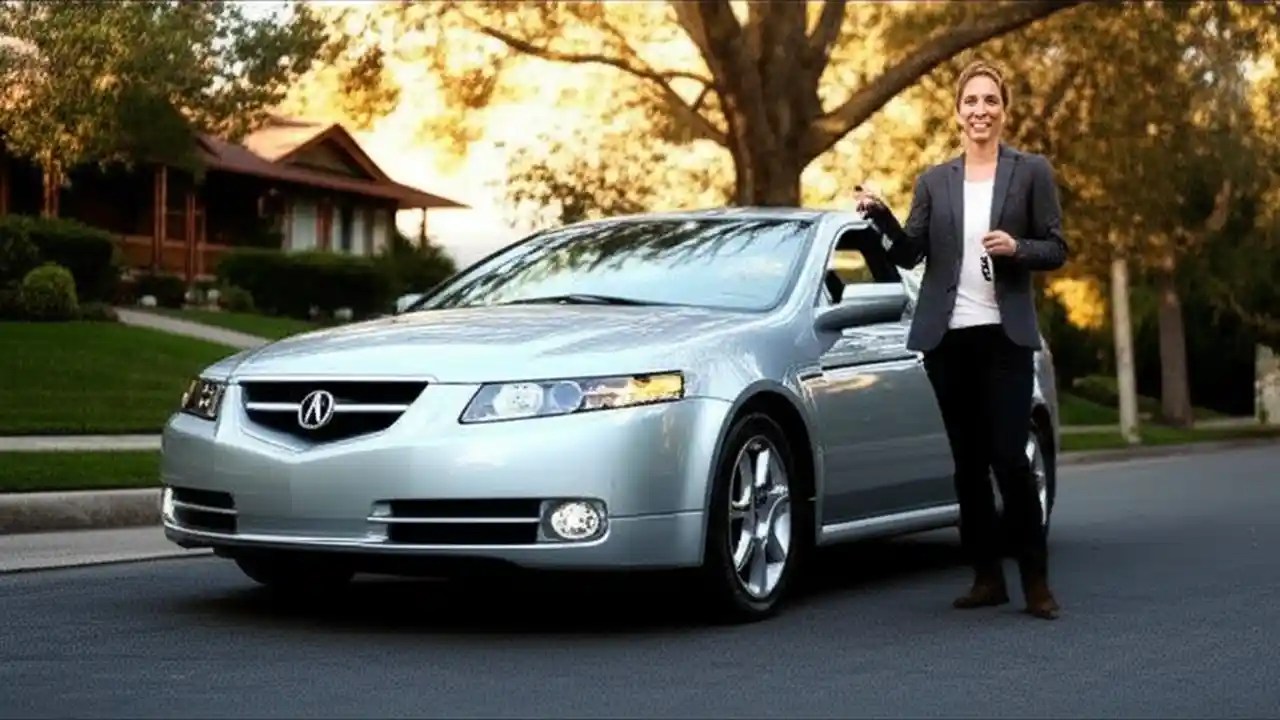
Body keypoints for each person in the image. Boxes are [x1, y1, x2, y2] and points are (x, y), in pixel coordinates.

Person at [853, 61, 1068, 620]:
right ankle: (986, 577)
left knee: (1009, 460)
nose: (980, 110)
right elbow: (910, 254)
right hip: (948, 340)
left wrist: (1017, 247)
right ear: (958, 112)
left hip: (1007, 336)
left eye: (990, 100)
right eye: (970, 101)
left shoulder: (1031, 171)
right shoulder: (934, 181)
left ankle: (1036, 582)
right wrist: (881, 217)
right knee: (968, 464)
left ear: (1004, 109)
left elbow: (1057, 248)